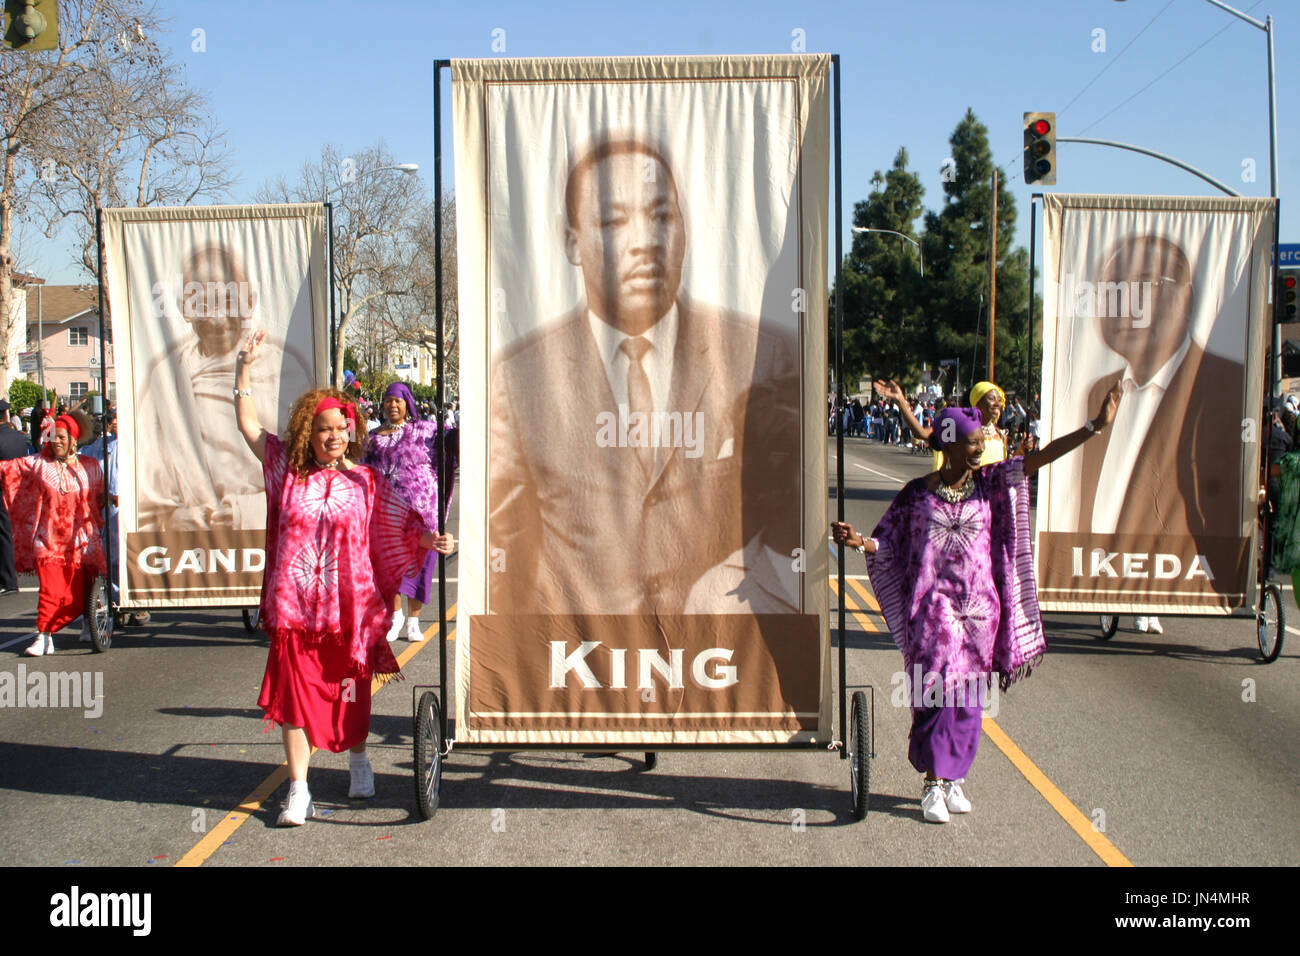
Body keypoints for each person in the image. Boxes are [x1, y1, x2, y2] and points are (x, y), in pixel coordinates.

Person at [489, 136, 797, 614]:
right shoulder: (519, 378)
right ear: (572, 240)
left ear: (685, 229)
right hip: (583, 666)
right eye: (614, 220)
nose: (645, 241)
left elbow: (787, 522)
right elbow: (504, 550)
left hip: (716, 654)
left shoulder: (762, 355)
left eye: (661, 216)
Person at [833, 386, 1121, 823]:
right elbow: (888, 541)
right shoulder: (916, 495)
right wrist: (859, 542)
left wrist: (1094, 427)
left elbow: (1041, 459)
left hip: (979, 612)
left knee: (968, 700)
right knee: (936, 693)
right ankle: (932, 783)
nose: (980, 448)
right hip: (932, 612)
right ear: (948, 446)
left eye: (981, 442)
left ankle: (952, 780)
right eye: (971, 442)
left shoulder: (990, 483)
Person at [234, 331, 455, 826]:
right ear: (306, 433)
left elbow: (398, 526)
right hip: (295, 611)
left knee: (347, 696)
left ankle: (358, 758)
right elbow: (248, 426)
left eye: (340, 427)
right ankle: (298, 789)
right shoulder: (284, 472)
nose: (333, 435)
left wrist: (432, 541)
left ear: (350, 430)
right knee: (294, 698)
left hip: (349, 611)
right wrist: (242, 371)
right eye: (322, 428)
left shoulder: (365, 481)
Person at [1076, 235, 1245, 539]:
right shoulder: (1100, 391)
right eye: (1114, 291)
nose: (1126, 304)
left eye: (1142, 288)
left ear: (1187, 299)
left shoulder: (1226, 385)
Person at [137, 242, 314, 531]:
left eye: (226, 296)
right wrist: (181, 516)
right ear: (185, 307)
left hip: (267, 525)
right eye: (202, 298)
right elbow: (146, 490)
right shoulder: (165, 375)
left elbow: (302, 468)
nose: (214, 310)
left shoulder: (286, 369)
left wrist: (240, 511)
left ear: (249, 300)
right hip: (190, 541)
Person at [0, 409, 107, 655]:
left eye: (61, 437)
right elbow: (8, 470)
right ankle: (44, 635)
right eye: (53, 437)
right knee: (50, 588)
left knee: (84, 588)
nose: (55, 442)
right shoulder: (39, 464)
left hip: (83, 540)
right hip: (49, 540)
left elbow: (97, 500)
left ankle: (88, 623)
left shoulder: (91, 467)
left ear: (74, 441)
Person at [362, 381, 457, 643]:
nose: (393, 405)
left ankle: (414, 622)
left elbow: (452, 443)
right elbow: (360, 470)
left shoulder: (425, 430)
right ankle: (396, 617)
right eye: (389, 401)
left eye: (398, 401)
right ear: (382, 405)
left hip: (422, 515)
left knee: (420, 570)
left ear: (407, 404)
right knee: (390, 568)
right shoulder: (372, 438)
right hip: (386, 520)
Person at [0, 403, 33, 593]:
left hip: (2, 489)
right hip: (18, 489)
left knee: (4, 535)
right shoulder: (16, 437)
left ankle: (8, 580)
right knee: (10, 533)